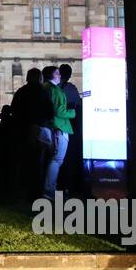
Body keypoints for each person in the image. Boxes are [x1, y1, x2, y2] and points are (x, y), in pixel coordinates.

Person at [41, 66, 75, 197]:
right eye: (57, 73)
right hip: (59, 127)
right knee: (57, 159)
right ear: (52, 75)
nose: (60, 75)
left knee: (51, 159)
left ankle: (49, 188)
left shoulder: (45, 88)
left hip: (49, 126)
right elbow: (59, 111)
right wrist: (73, 112)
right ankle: (49, 190)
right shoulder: (55, 90)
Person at [58, 64, 83, 194]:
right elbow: (76, 106)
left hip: (57, 125)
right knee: (70, 155)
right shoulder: (71, 89)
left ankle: (59, 184)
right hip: (69, 125)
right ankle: (69, 184)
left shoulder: (55, 88)